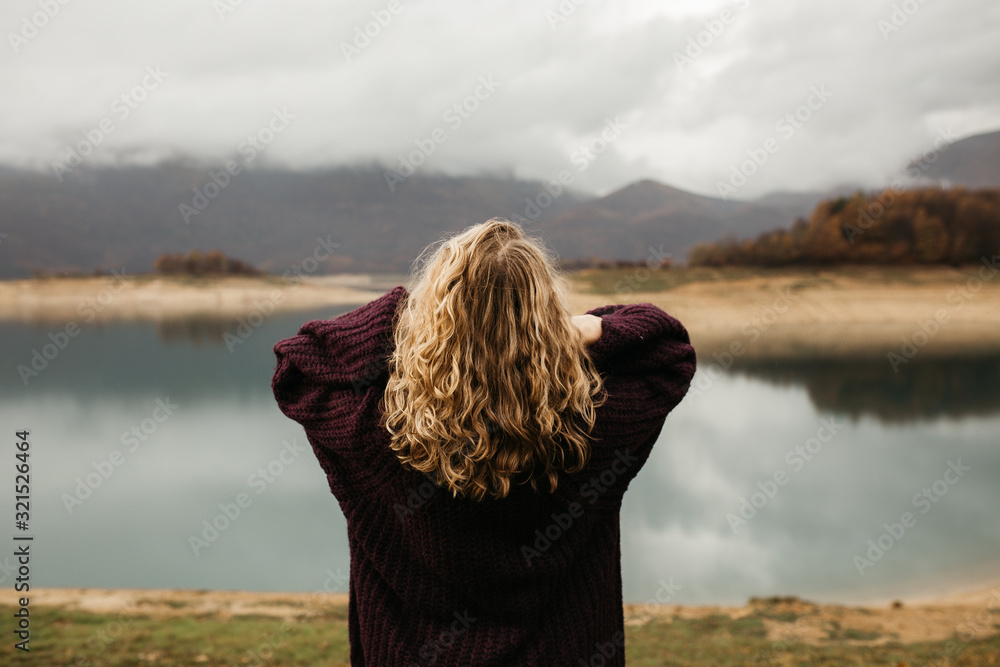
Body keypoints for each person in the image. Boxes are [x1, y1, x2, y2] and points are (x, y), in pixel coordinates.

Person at [271, 218, 696, 666]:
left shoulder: (372, 429)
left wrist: (414, 317)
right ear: (546, 314)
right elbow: (668, 349)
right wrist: (585, 329)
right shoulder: (598, 422)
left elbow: (301, 361)